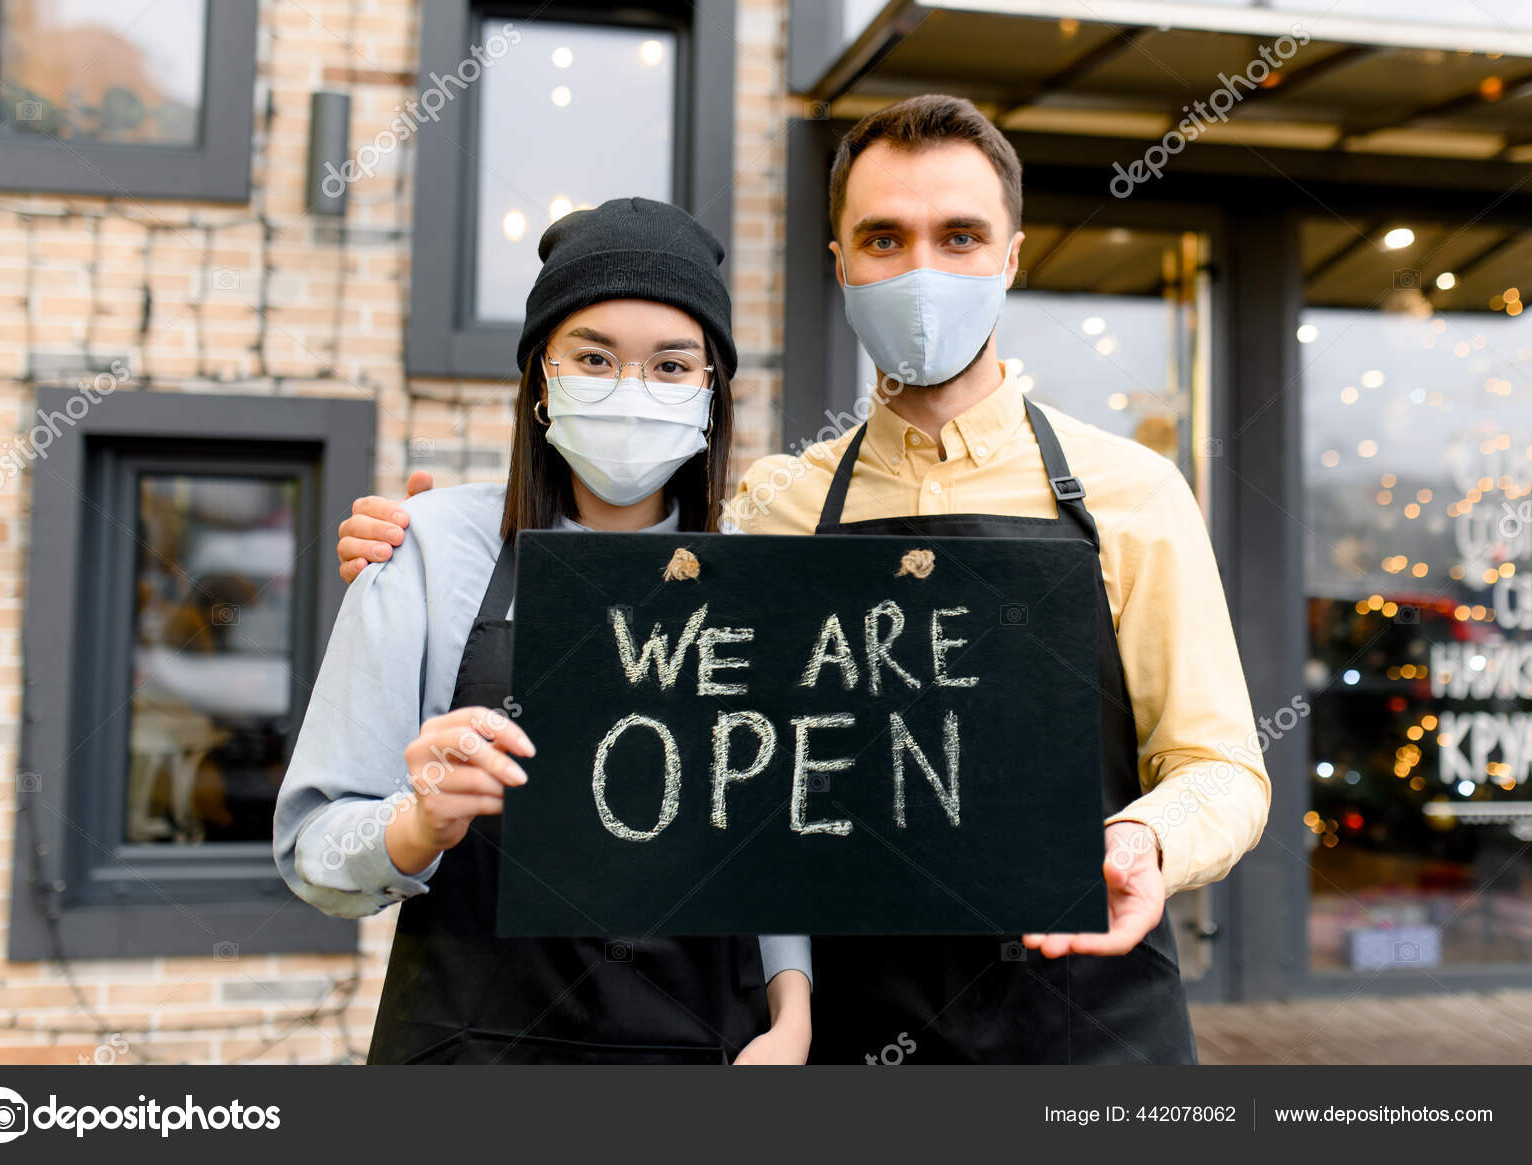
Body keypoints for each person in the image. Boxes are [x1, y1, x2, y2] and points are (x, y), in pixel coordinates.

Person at [334, 96, 1272, 1065]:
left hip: (1088, 1022)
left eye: (958, 237)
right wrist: (431, 545)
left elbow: (1222, 768)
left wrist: (1147, 840)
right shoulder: (771, 508)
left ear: (1010, 256)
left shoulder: (1133, 494)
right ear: (840, 264)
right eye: (883, 238)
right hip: (853, 1031)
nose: (920, 270)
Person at [275, 197, 811, 1065]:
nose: (632, 389)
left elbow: (773, 852)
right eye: (594, 357)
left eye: (672, 366)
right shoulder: (427, 547)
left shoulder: (759, 579)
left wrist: (793, 1019)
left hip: (704, 1055)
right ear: (541, 381)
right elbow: (312, 849)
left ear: (711, 395)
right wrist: (419, 824)